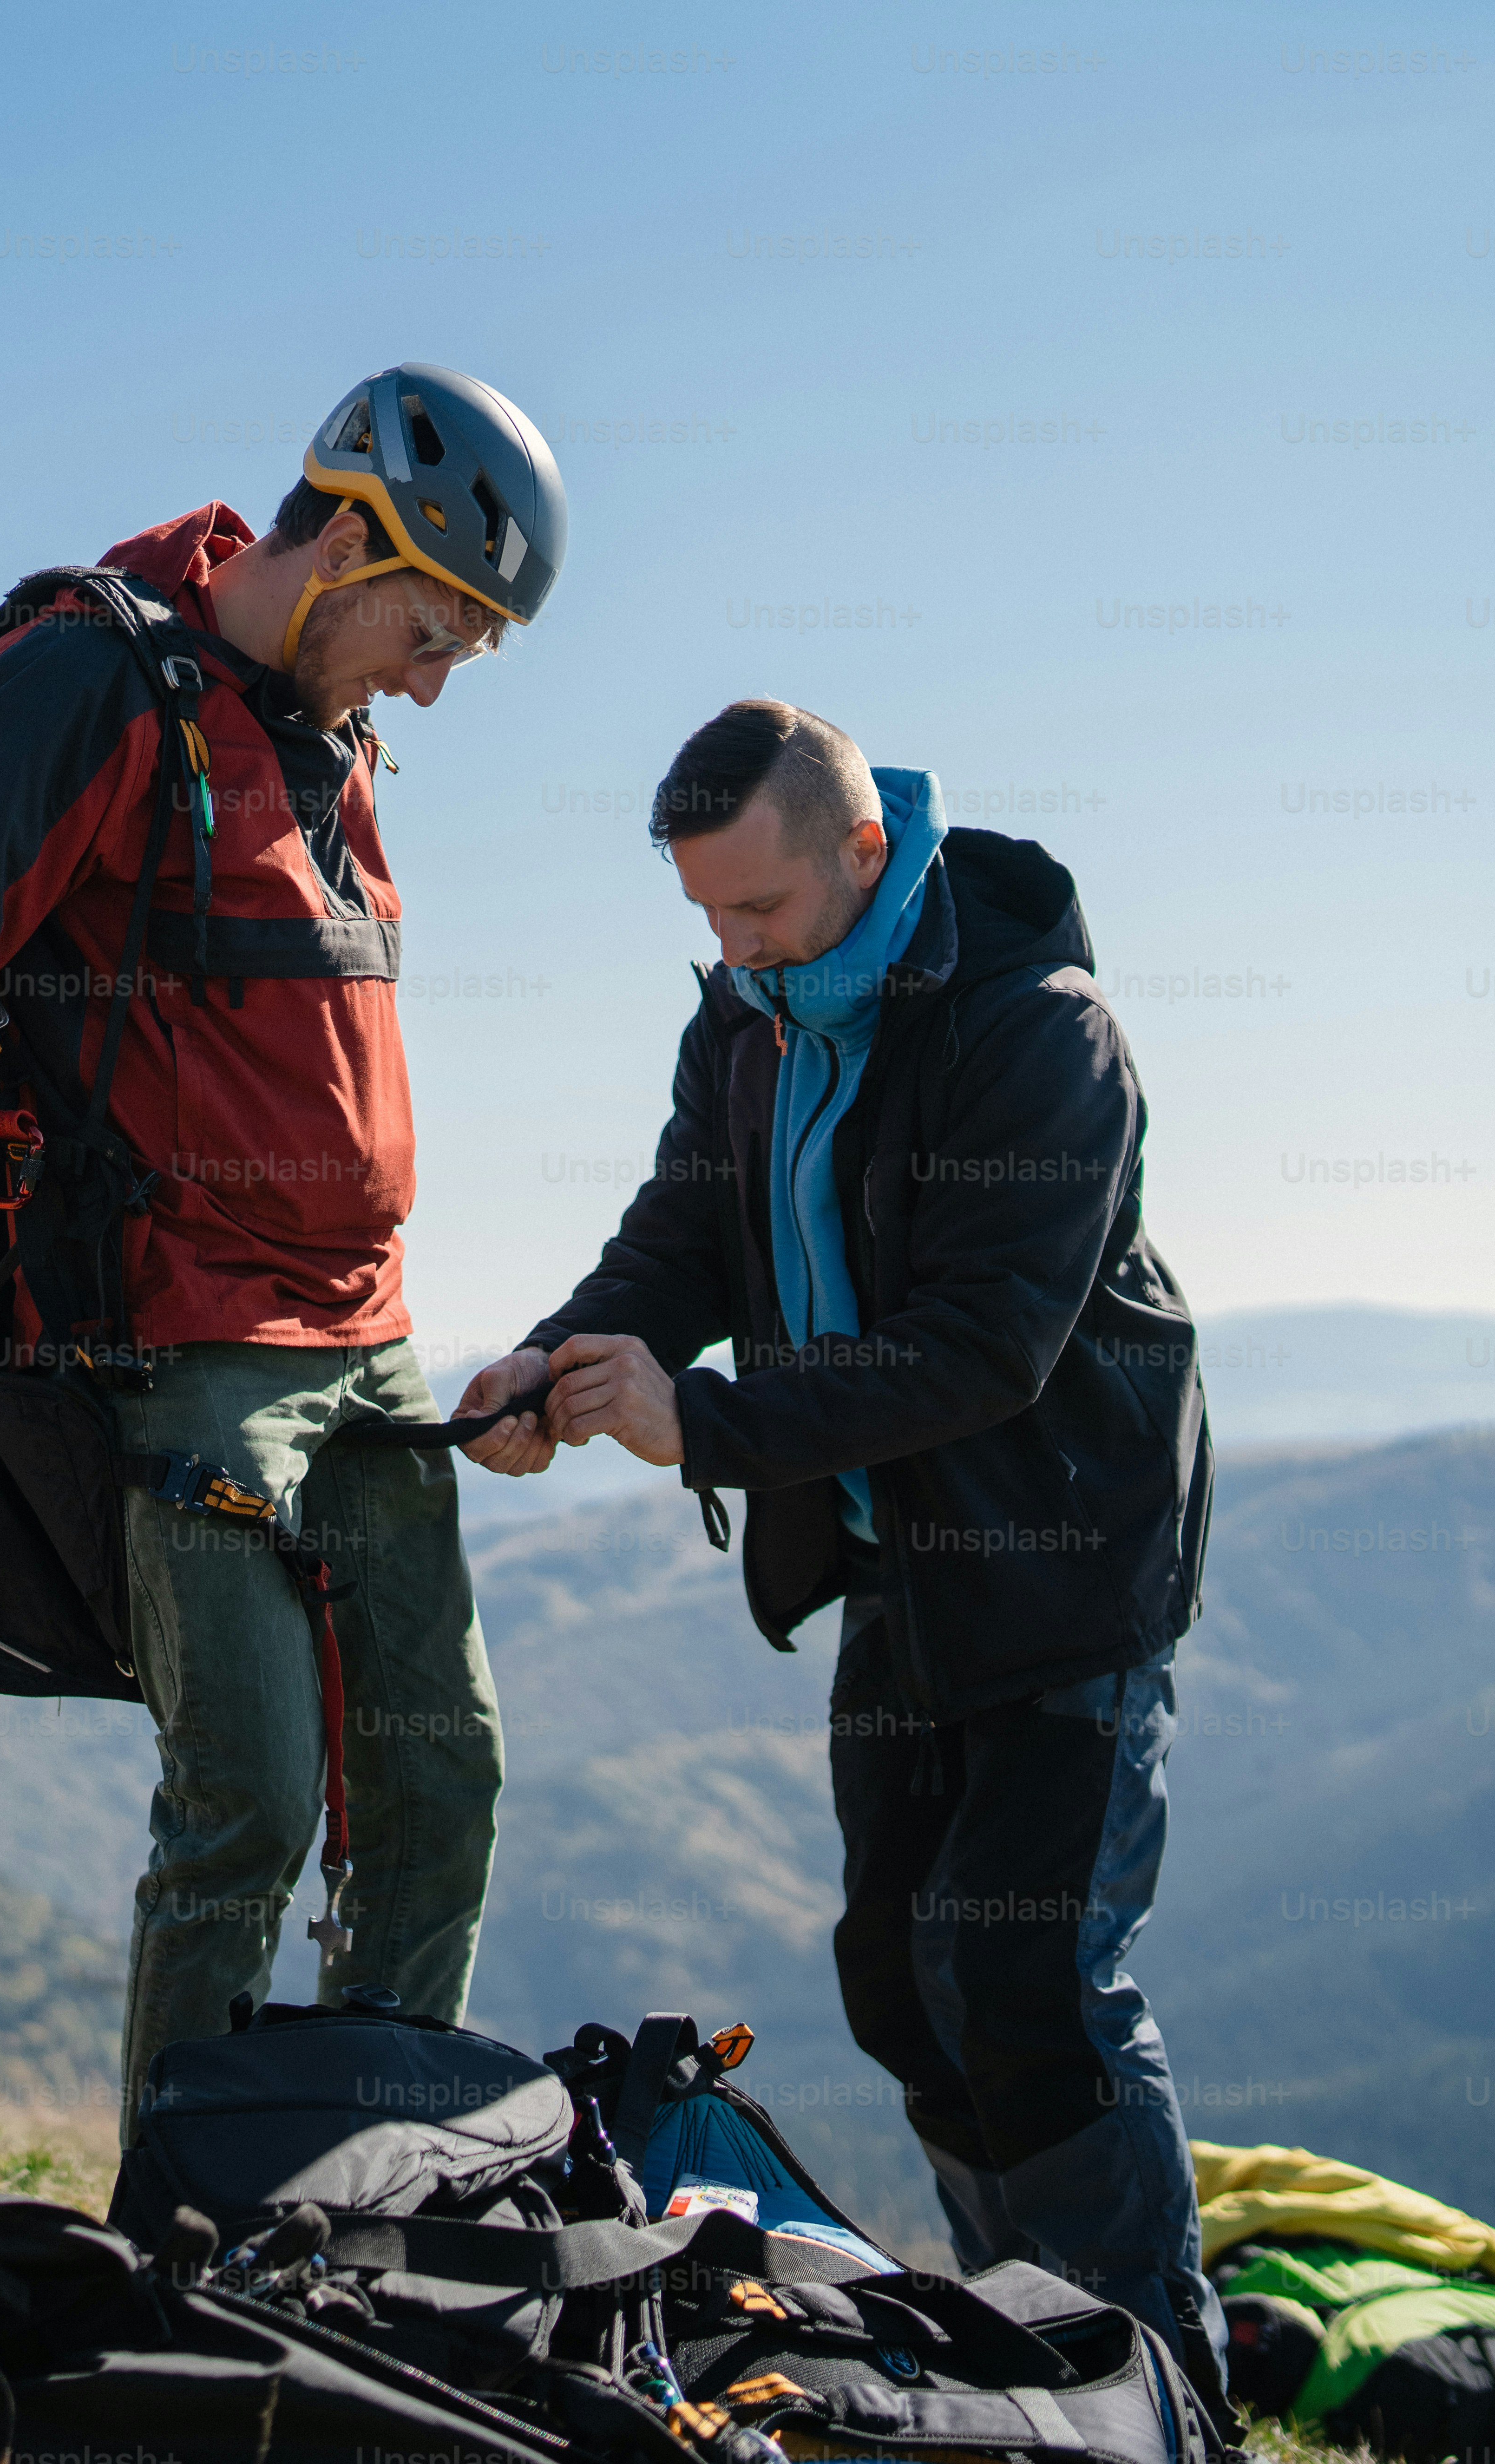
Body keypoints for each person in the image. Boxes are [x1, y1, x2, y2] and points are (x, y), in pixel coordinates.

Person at [0, 366, 567, 2117]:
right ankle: (186, 2218)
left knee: (442, 1781)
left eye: (470, 649)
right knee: (251, 1803)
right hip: (190, 1349)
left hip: (370, 1344)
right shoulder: (92, 682)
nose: (434, 682)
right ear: (345, 544)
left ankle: (380, 2185)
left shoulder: (325, 729)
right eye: (434, 629)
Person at [457, 699, 1226, 2403]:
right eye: (706, 917)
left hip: (1062, 1575)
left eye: (760, 909)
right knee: (899, 1984)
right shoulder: (748, 1017)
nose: (733, 950)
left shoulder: (1042, 1030)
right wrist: (557, 1359)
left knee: (1031, 1989)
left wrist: (708, 1423)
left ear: (866, 852)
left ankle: (1160, 2390)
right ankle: (1034, 2352)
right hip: (898, 1574)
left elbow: (984, 1347)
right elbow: (685, 1235)